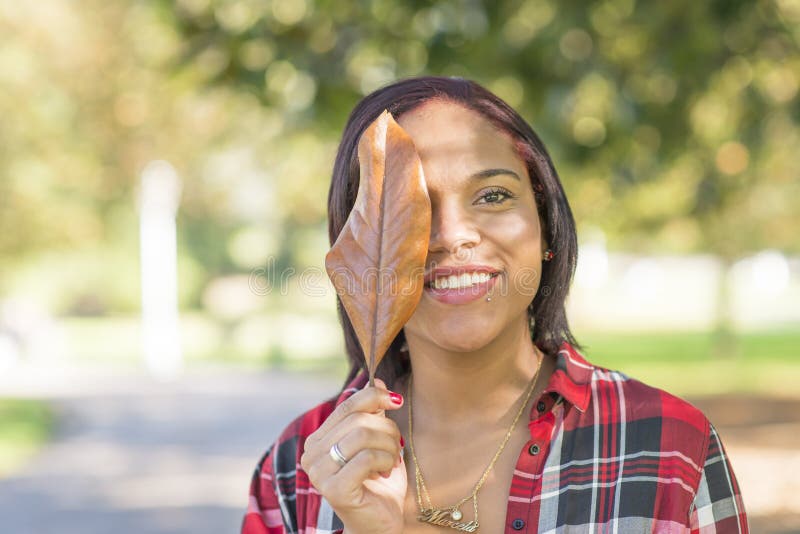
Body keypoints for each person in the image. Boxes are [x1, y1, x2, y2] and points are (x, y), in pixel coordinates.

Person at [241, 77, 748, 534]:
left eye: (493, 195)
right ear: (358, 251)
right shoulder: (295, 474)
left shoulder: (669, 446)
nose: (453, 235)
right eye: (409, 208)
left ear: (546, 226)